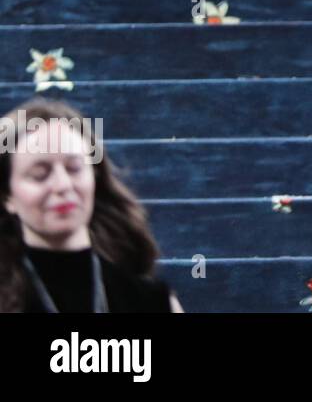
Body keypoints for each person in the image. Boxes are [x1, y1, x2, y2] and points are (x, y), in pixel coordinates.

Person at [0, 98, 182, 313]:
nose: (63, 185)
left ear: (95, 176)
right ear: (7, 197)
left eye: (74, 168)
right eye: (40, 175)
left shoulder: (151, 301)